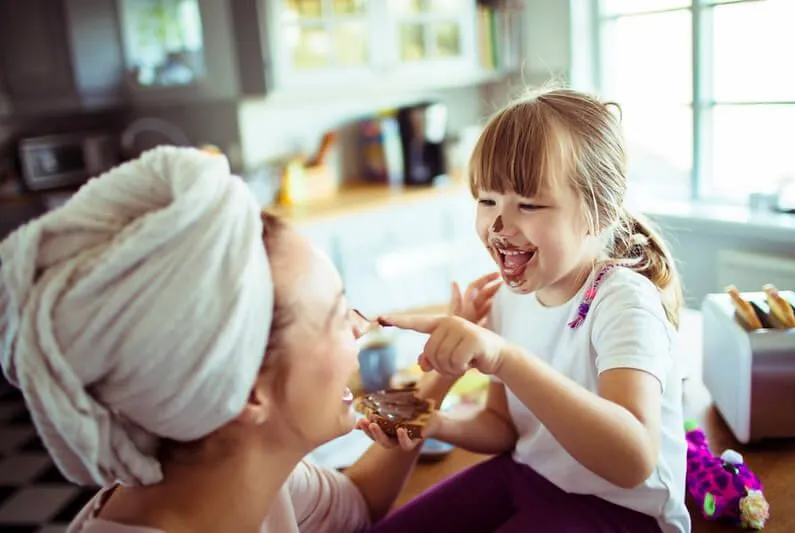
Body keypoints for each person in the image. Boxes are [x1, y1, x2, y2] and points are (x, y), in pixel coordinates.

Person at [0, 146, 497, 533]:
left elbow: (356, 504)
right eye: (335, 314)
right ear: (246, 391)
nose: (359, 327)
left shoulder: (239, 471)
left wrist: (443, 373)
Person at [366, 88, 691, 533]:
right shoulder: (507, 298)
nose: (499, 227)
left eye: (529, 204)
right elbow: (504, 426)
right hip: (530, 475)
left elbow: (633, 460)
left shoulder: (623, 302)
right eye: (487, 201)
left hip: (622, 511)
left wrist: (503, 357)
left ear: (599, 212)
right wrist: (435, 423)